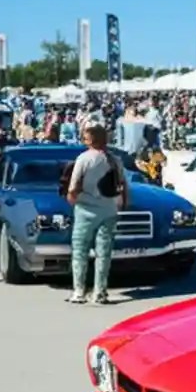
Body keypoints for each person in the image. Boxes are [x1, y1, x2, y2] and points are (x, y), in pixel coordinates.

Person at [66, 124, 129, 304]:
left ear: (91, 140)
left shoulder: (84, 159)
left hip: (86, 210)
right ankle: (100, 292)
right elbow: (123, 185)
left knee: (80, 251)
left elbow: (73, 187)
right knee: (104, 253)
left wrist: (72, 200)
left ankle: (79, 291)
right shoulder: (114, 160)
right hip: (109, 210)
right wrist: (122, 204)